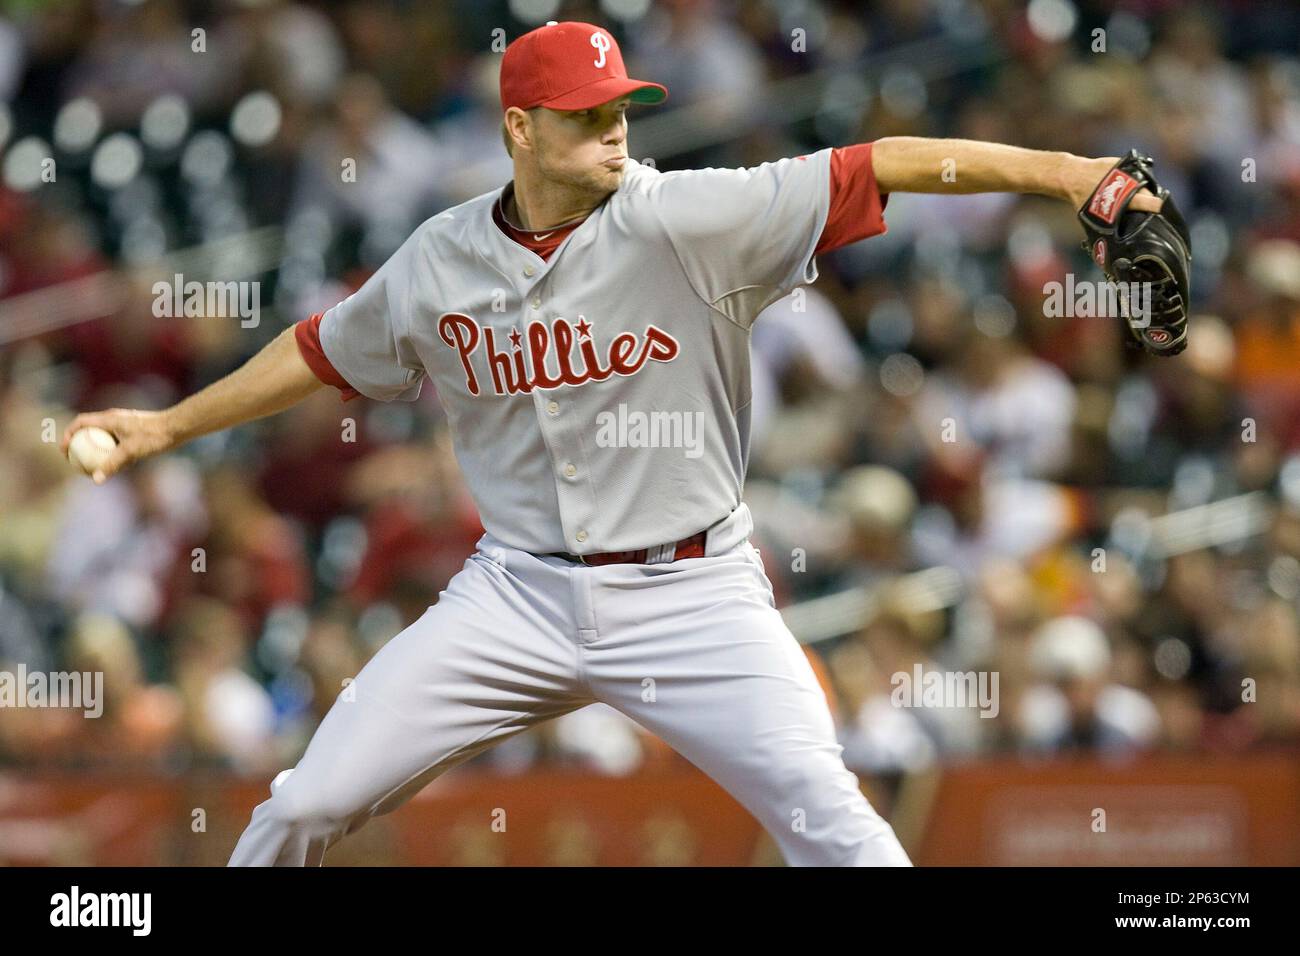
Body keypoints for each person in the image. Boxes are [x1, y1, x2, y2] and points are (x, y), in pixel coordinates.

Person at [62, 21, 1164, 866]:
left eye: (621, 108)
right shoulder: (440, 258)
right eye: (587, 115)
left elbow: (886, 162)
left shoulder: (688, 215)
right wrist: (159, 424)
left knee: (832, 820)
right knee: (304, 802)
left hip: (696, 593)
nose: (615, 129)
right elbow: (316, 349)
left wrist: (1075, 178)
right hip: (517, 595)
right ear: (519, 130)